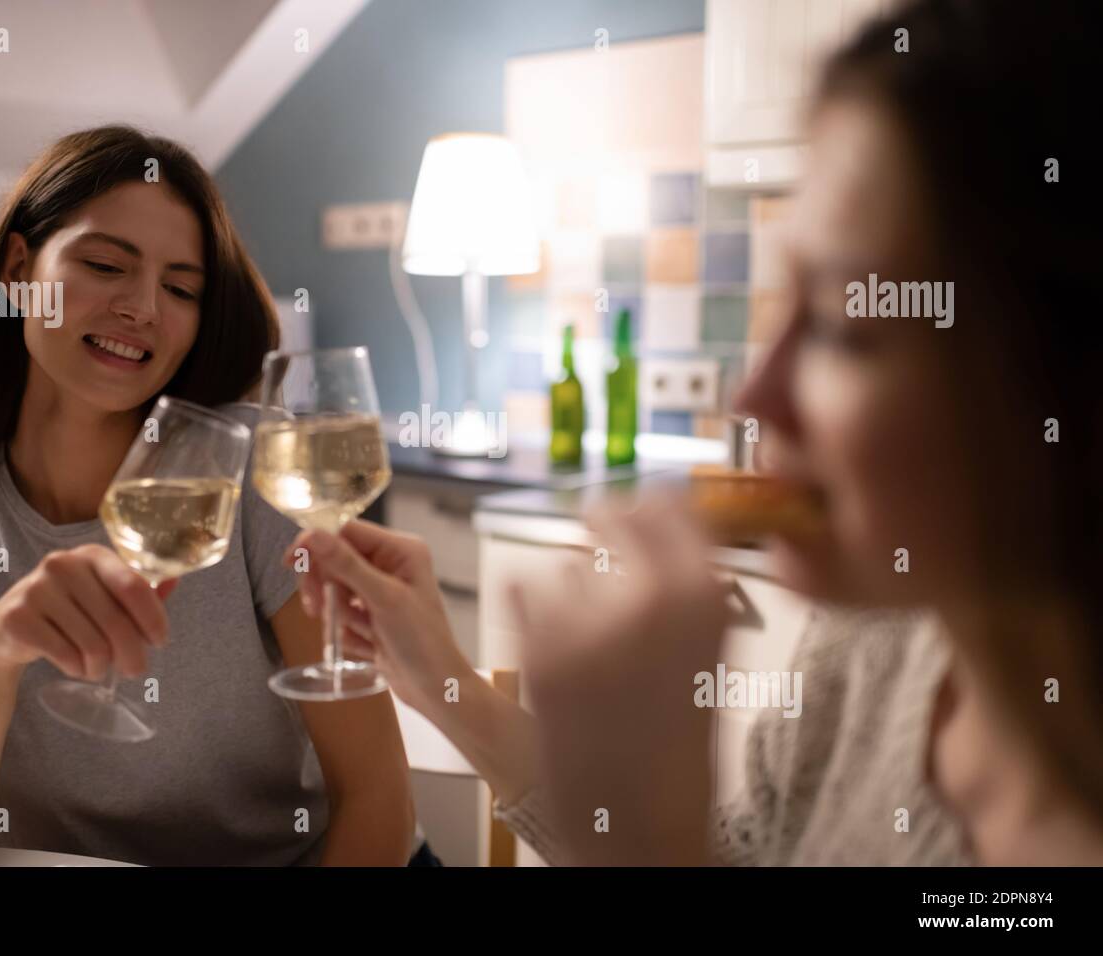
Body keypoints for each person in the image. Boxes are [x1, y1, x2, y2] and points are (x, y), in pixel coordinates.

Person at [287, 0, 1102, 866]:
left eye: (839, 323)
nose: (752, 395)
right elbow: (743, 855)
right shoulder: (873, 636)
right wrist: (444, 684)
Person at [0, 126, 414, 866]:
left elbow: (377, 798)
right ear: (18, 270)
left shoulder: (256, 472)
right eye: (103, 265)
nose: (144, 308)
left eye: (181, 288)